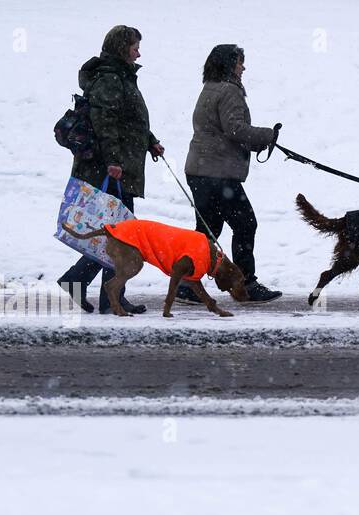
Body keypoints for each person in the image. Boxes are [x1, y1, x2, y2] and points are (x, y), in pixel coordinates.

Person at [58, 25, 164, 314]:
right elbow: (106, 123)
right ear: (121, 47)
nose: (138, 52)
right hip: (108, 170)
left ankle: (105, 295)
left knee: (118, 233)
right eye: (134, 46)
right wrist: (113, 161)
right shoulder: (109, 78)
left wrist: (150, 141)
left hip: (119, 165)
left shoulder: (121, 76)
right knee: (120, 234)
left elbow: (130, 120)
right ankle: (86, 285)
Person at [177, 44, 282, 303]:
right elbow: (234, 129)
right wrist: (266, 135)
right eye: (239, 62)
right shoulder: (229, 91)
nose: (243, 67)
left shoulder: (210, 88)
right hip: (217, 174)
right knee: (245, 224)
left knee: (207, 230)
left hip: (200, 170)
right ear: (228, 64)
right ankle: (245, 283)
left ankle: (186, 284)